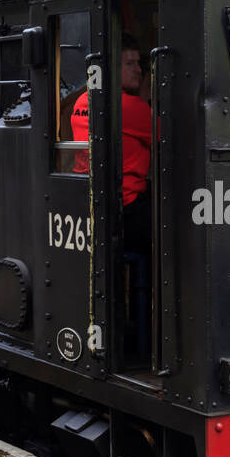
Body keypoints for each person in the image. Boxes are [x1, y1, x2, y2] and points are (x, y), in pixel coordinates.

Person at [70, 36, 153, 334]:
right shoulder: (131, 107)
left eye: (140, 63)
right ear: (112, 70)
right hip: (126, 212)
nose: (139, 69)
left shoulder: (83, 101)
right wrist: (144, 98)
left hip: (95, 208)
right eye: (129, 64)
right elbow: (167, 135)